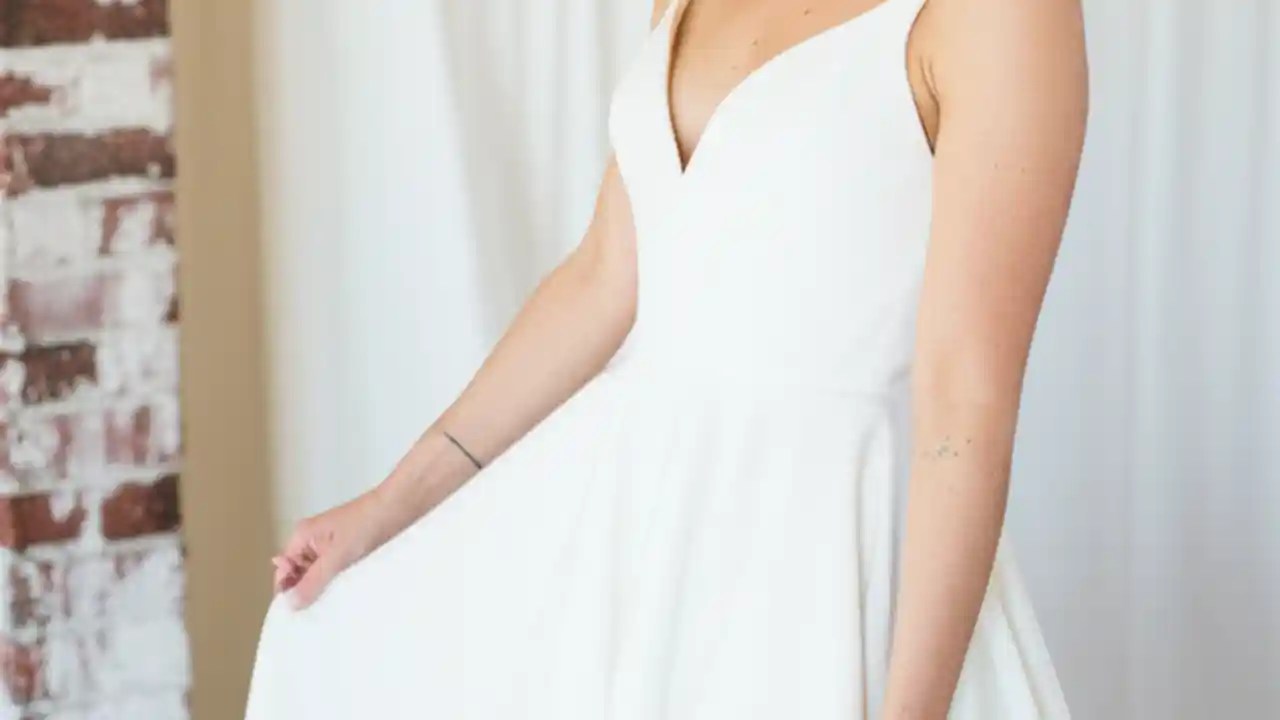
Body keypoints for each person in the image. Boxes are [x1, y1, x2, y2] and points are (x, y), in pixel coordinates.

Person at [244, 0, 1087, 716]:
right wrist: (388, 507)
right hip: (630, 525)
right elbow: (606, 274)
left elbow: (966, 391)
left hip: (824, 551)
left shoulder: (997, 15)